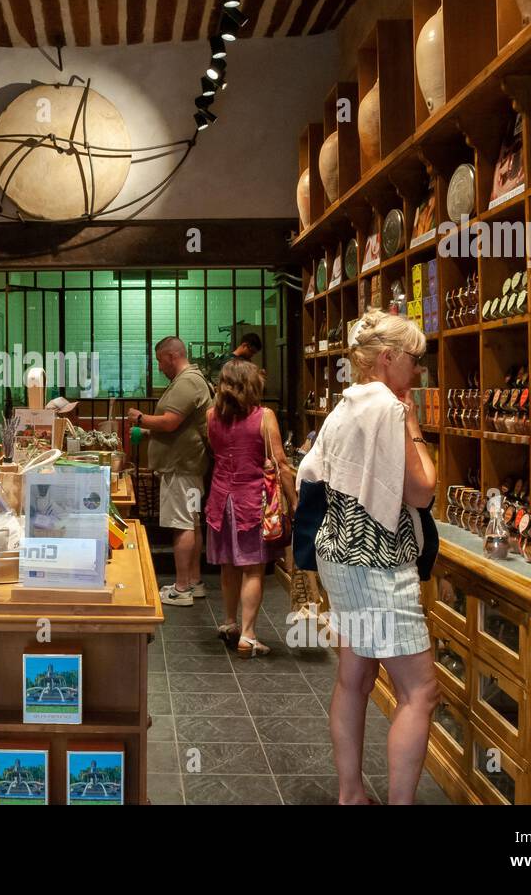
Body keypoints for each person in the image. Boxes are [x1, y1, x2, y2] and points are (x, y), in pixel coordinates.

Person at [296, 309, 439, 805]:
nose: (419, 371)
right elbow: (423, 491)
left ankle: (351, 794)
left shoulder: (345, 404)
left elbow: (310, 472)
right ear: (388, 357)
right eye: (415, 360)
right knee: (419, 692)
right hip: (378, 559)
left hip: (340, 554)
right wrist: (416, 425)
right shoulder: (390, 407)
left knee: (354, 679)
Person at [205, 359, 297, 656]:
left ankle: (230, 622)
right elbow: (281, 463)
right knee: (253, 570)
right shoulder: (264, 416)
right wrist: (294, 502)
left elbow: (215, 452)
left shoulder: (210, 417)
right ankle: (248, 635)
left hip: (220, 500)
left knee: (228, 566)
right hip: (252, 502)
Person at [128, 336, 212, 606]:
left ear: (171, 356)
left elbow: (170, 422)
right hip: (188, 466)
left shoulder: (187, 381)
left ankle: (182, 588)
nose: (159, 367)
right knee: (192, 522)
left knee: (182, 524)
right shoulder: (189, 380)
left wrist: (140, 419)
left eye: (159, 360)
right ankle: (195, 581)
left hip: (181, 469)